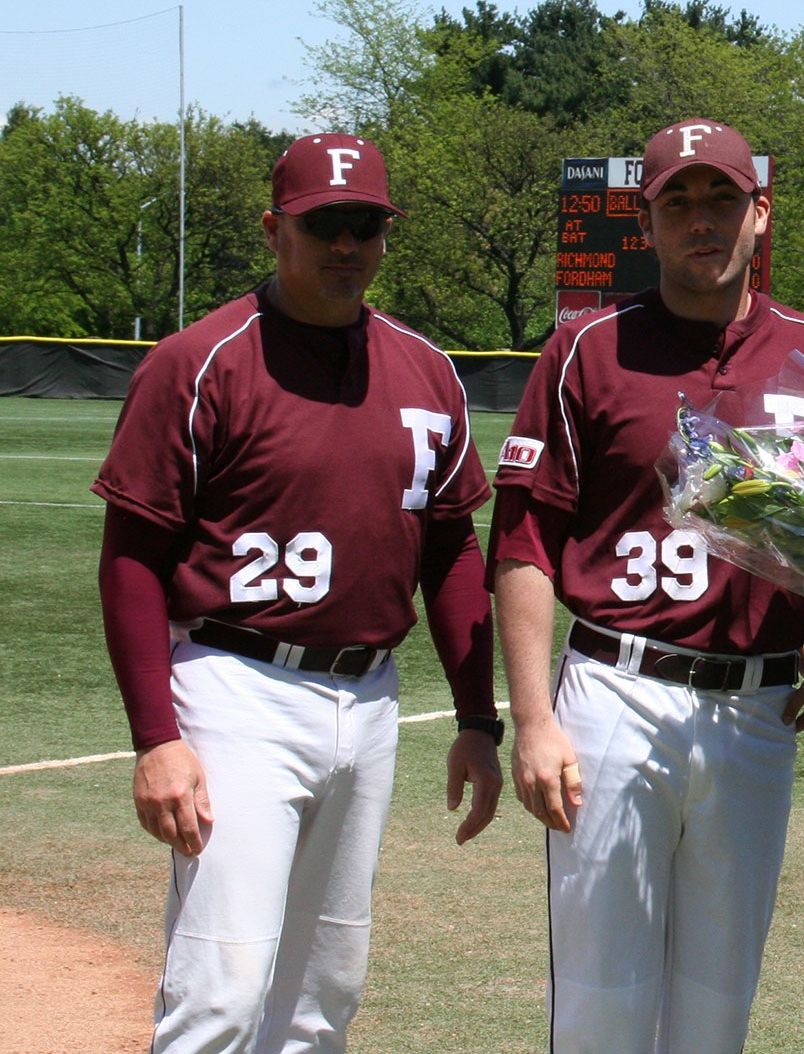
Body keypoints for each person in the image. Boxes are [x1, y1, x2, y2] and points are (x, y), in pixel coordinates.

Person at [92, 132, 504, 1051]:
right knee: (222, 993)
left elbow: (450, 554)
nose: (345, 245)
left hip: (369, 702)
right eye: (324, 224)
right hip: (236, 690)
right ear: (275, 228)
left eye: (365, 224)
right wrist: (156, 738)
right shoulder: (199, 361)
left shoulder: (427, 369)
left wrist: (479, 718)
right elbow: (131, 559)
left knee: (324, 996)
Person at [490, 118, 804, 1053]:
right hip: (615, 692)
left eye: (722, 200)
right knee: (603, 995)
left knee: (717, 1001)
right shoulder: (586, 347)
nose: (703, 222)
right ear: (645, 222)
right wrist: (533, 719)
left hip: (757, 711)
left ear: (759, 215)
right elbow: (526, 539)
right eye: (677, 203)